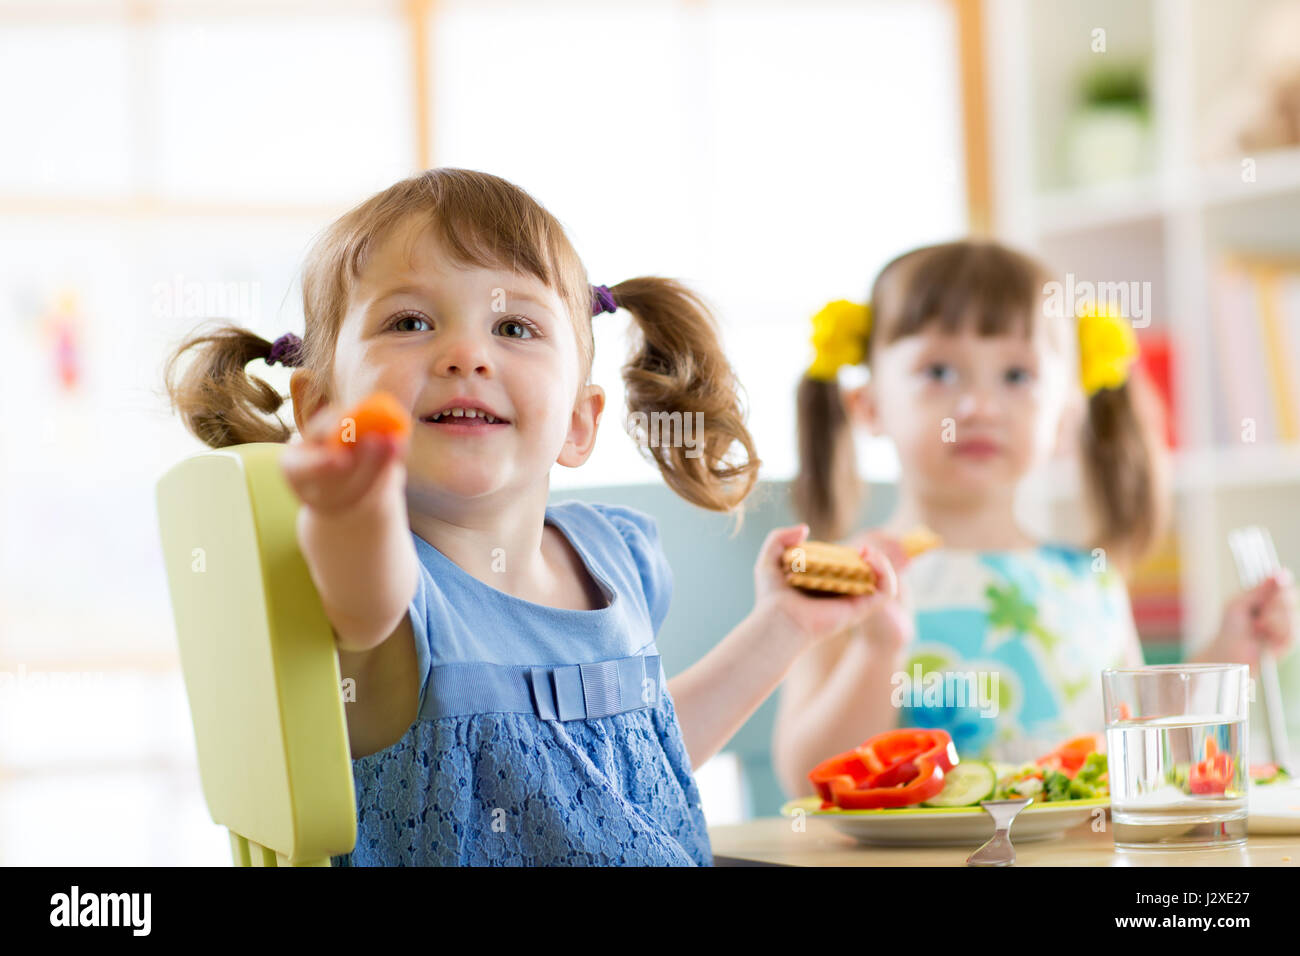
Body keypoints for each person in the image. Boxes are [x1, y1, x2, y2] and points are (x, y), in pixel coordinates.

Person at [163, 167, 897, 864]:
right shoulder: (388, 593)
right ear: (323, 408)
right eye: (410, 320)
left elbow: (641, 769)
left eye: (514, 328)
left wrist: (784, 628)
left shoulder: (617, 556)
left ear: (579, 422)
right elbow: (363, 590)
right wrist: (351, 498)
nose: (465, 353)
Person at [772, 239, 1296, 797]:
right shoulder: (847, 579)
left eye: (1017, 376)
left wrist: (1229, 652)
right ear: (869, 404)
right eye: (940, 371)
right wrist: (877, 650)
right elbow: (808, 784)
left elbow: (1148, 752)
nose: (980, 406)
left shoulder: (1089, 579)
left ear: (1067, 415)